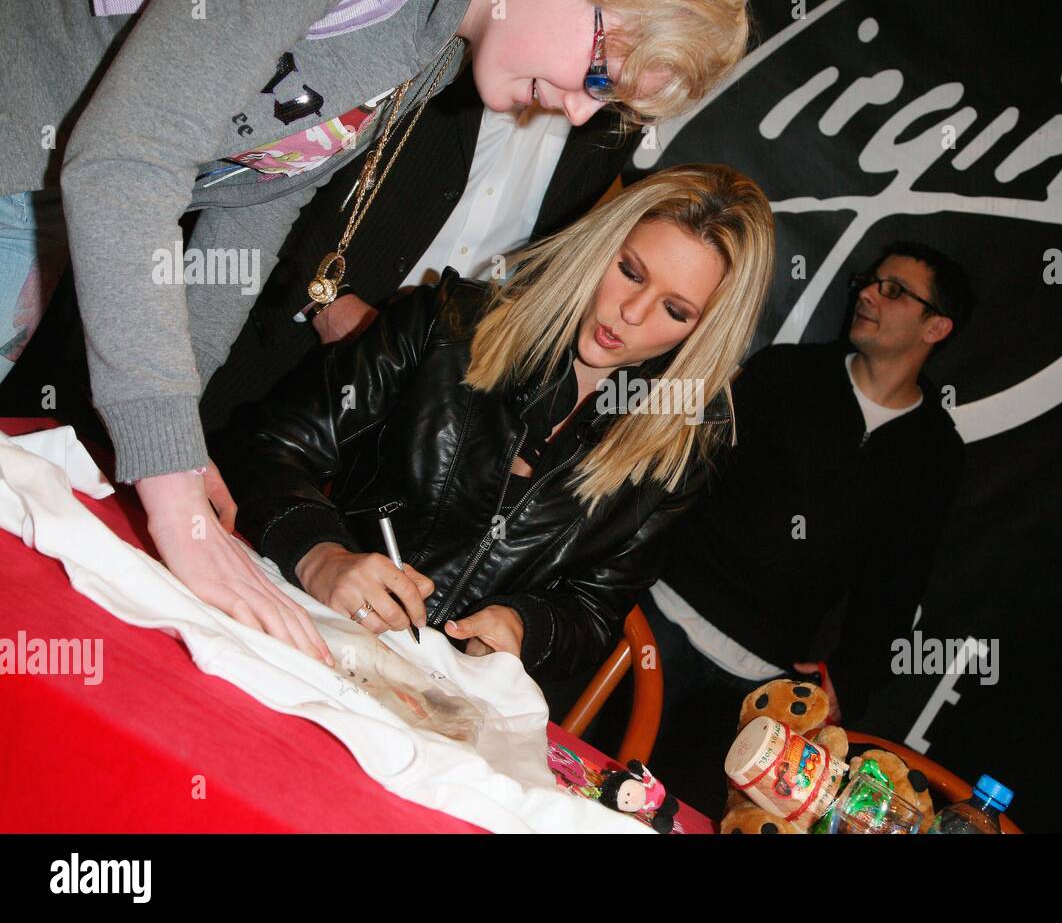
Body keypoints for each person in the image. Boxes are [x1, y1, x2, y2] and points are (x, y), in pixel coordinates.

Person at [0, 0, 751, 664]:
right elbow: (129, 162)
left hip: (37, 193)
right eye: (599, 73)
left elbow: (260, 194)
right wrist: (169, 488)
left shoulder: (430, 47)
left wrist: (180, 435)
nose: (583, 109)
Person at [216, 165, 775, 695]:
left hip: (438, 696)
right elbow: (270, 446)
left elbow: (595, 610)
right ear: (600, 246)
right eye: (629, 271)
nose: (631, 312)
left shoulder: (678, 450)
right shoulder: (447, 325)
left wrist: (525, 627)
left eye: (675, 310)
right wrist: (321, 554)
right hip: (298, 628)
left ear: (704, 334)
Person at [636, 242, 975, 818]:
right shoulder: (787, 372)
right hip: (650, 625)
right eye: (870, 281)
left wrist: (852, 679)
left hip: (755, 691)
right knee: (563, 765)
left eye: (894, 291)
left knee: (670, 820)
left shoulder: (935, 453)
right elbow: (683, 471)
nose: (867, 293)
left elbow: (897, 583)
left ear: (936, 326)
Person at [199, 64, 637, 435]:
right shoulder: (445, 26)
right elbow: (281, 169)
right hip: (258, 333)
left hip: (399, 407)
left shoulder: (616, 122)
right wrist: (324, 304)